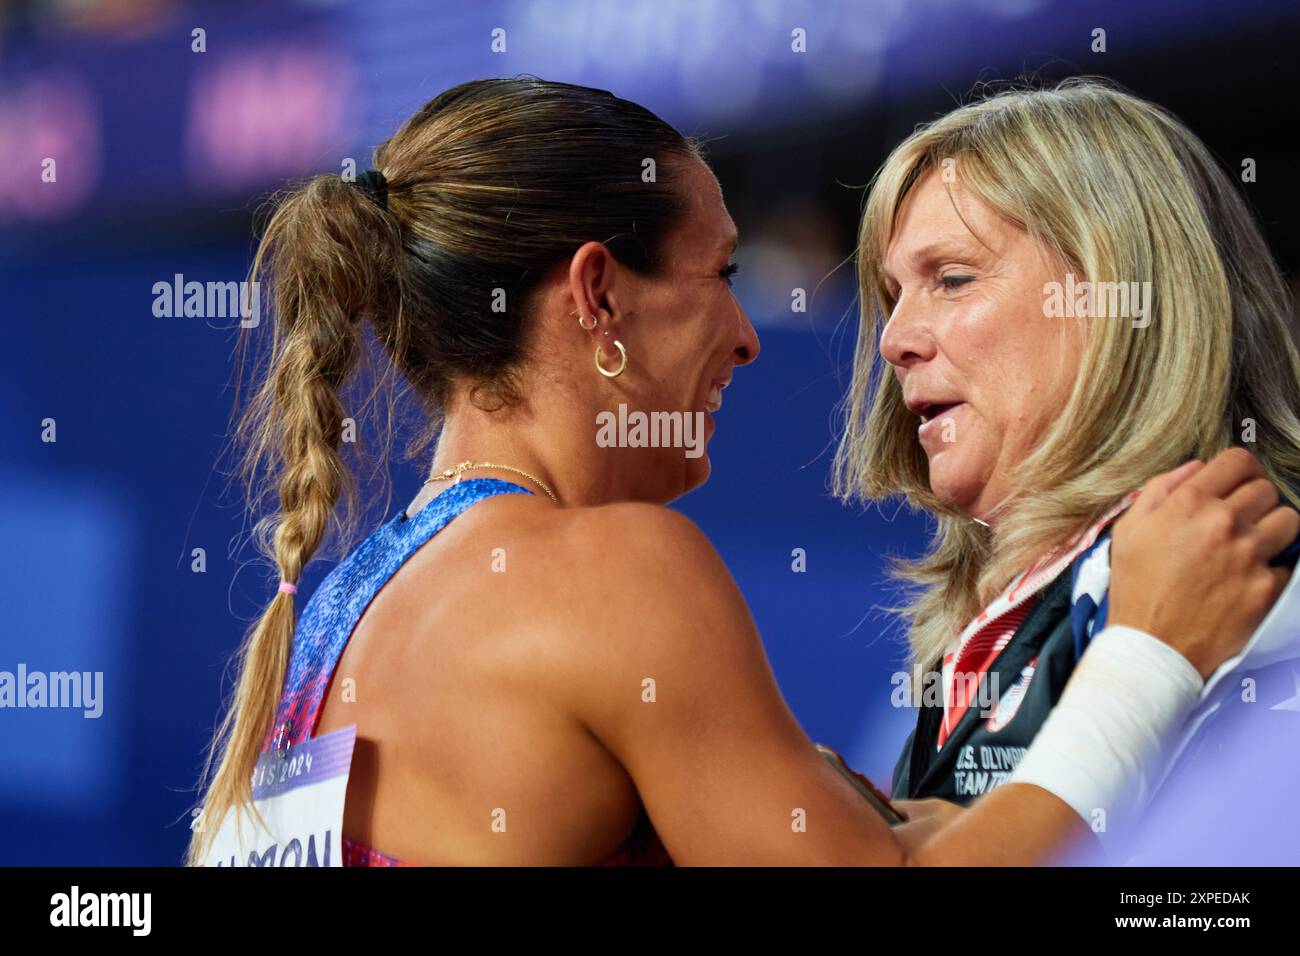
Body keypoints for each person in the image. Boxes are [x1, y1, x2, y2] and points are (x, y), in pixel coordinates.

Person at [187, 78, 1295, 867]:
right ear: (596, 297)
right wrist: (1148, 657)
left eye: (948, 279)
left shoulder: (336, 617)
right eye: (719, 270)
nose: (752, 331)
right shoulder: (609, 567)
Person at [832, 77, 1300, 846]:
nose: (894, 339)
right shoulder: (1000, 616)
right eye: (893, 297)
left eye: (952, 279)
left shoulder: (1245, 553)